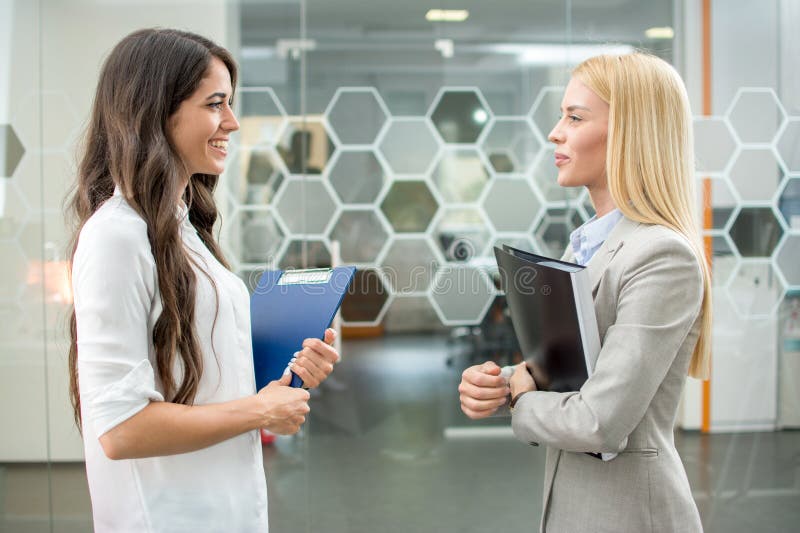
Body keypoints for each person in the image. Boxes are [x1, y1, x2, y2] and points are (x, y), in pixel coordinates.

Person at [67, 28, 340, 532]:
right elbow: (121, 430)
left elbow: (205, 380)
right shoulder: (116, 238)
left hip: (222, 510)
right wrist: (258, 412)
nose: (232, 123)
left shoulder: (181, 228)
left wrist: (281, 382)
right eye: (216, 104)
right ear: (155, 111)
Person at [458, 52, 712, 533]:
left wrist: (518, 399)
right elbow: (583, 369)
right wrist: (504, 379)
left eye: (575, 118)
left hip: (631, 515)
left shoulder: (661, 257)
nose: (556, 132)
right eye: (562, 116)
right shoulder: (589, 245)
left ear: (630, 133)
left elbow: (599, 420)